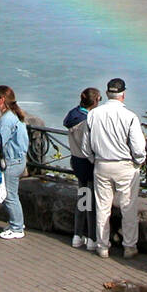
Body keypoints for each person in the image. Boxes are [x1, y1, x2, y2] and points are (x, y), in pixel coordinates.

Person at [81, 77, 146, 258]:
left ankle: (102, 246)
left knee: (103, 207)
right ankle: (129, 246)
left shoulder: (93, 114)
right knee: (128, 207)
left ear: (107, 93)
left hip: (102, 164)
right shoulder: (130, 117)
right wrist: (138, 161)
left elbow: (86, 146)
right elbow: (139, 148)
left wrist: (95, 159)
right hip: (125, 165)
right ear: (123, 95)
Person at [0, 85, 29, 239]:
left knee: (9, 196)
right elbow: (7, 136)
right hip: (17, 160)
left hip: (11, 162)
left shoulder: (7, 119)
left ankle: (17, 228)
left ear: (1, 99)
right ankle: (17, 223)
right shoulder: (12, 115)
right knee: (12, 194)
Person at [64, 87, 101, 251]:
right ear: (95, 101)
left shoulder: (72, 116)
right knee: (90, 201)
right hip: (88, 163)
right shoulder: (88, 121)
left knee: (83, 198)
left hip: (76, 161)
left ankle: (77, 235)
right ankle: (92, 237)